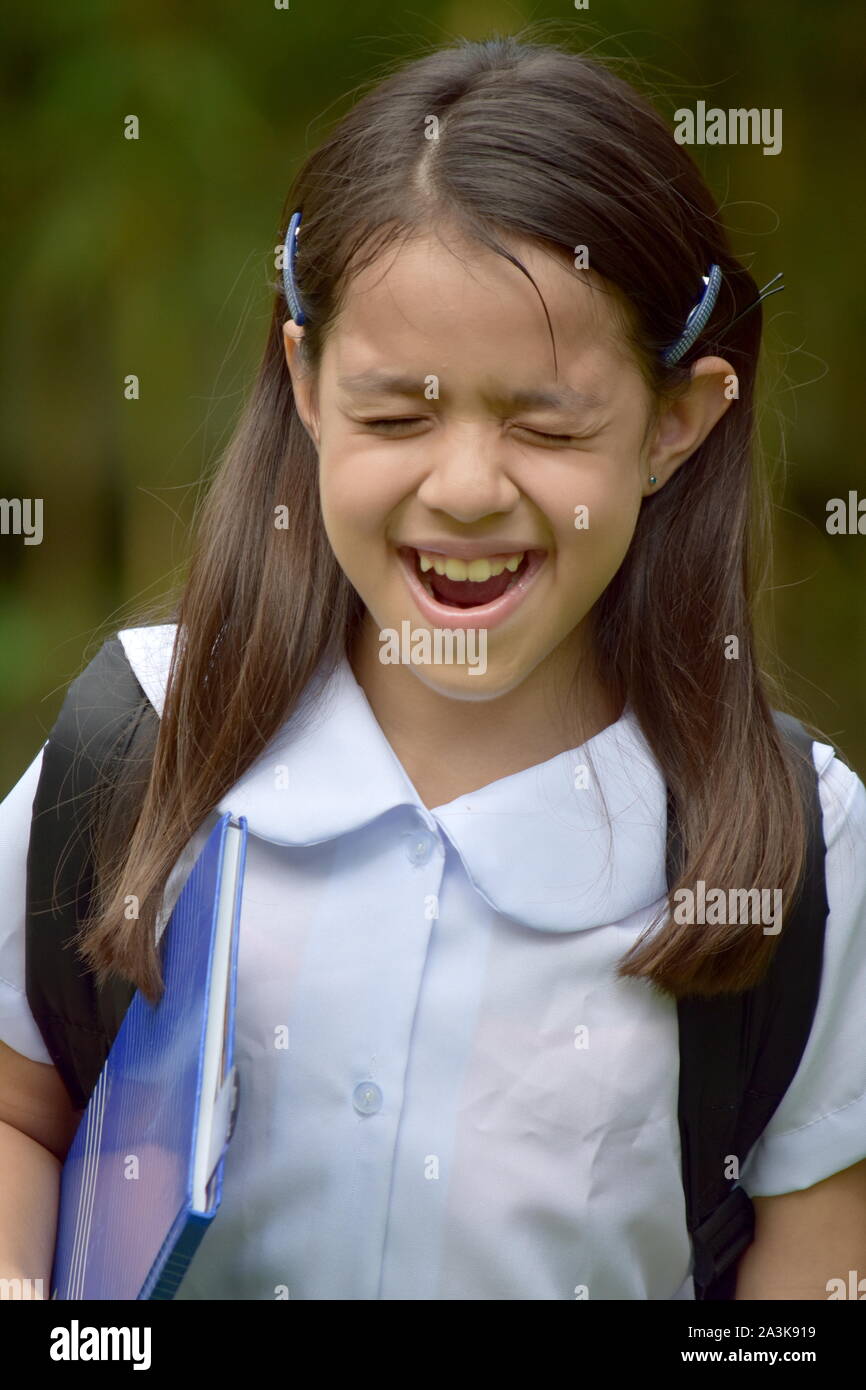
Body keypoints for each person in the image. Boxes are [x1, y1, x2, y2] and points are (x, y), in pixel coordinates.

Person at [2, 34, 865, 1301]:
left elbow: (810, 1259)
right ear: (303, 385)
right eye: (396, 416)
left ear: (673, 424)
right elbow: (22, 1110)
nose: (463, 489)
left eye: (545, 423)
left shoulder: (796, 843)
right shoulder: (140, 735)